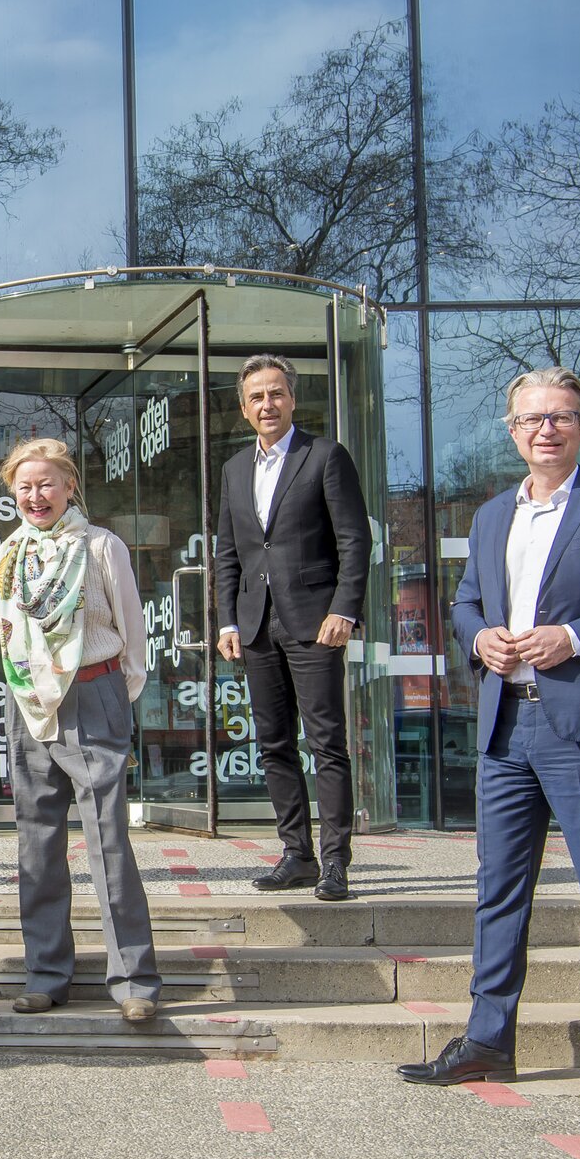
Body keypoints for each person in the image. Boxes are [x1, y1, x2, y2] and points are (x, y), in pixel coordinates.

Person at [399, 366, 580, 1106]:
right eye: (532, 418)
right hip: (506, 725)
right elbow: (466, 601)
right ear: (513, 430)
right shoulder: (493, 514)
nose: (546, 429)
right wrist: (479, 637)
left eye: (560, 416)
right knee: (498, 890)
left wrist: (575, 636)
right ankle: (488, 1039)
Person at [0, 439, 160, 1022]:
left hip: (94, 691)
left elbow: (132, 633)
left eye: (47, 484)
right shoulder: (9, 553)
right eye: (25, 487)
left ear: (70, 487)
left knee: (108, 837)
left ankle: (134, 981)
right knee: (37, 840)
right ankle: (46, 975)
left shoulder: (101, 546)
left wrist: (112, 695)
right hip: (30, 702)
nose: (36, 496)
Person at [213, 354, 370, 901]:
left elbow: (354, 540)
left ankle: (335, 862)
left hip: (315, 622)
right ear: (243, 409)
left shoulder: (324, 456)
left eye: (276, 393)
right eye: (256, 397)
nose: (267, 404)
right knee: (274, 743)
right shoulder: (234, 469)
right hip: (257, 624)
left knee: (327, 743)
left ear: (293, 399)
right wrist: (227, 620)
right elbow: (228, 553)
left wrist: (344, 609)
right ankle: (296, 855)